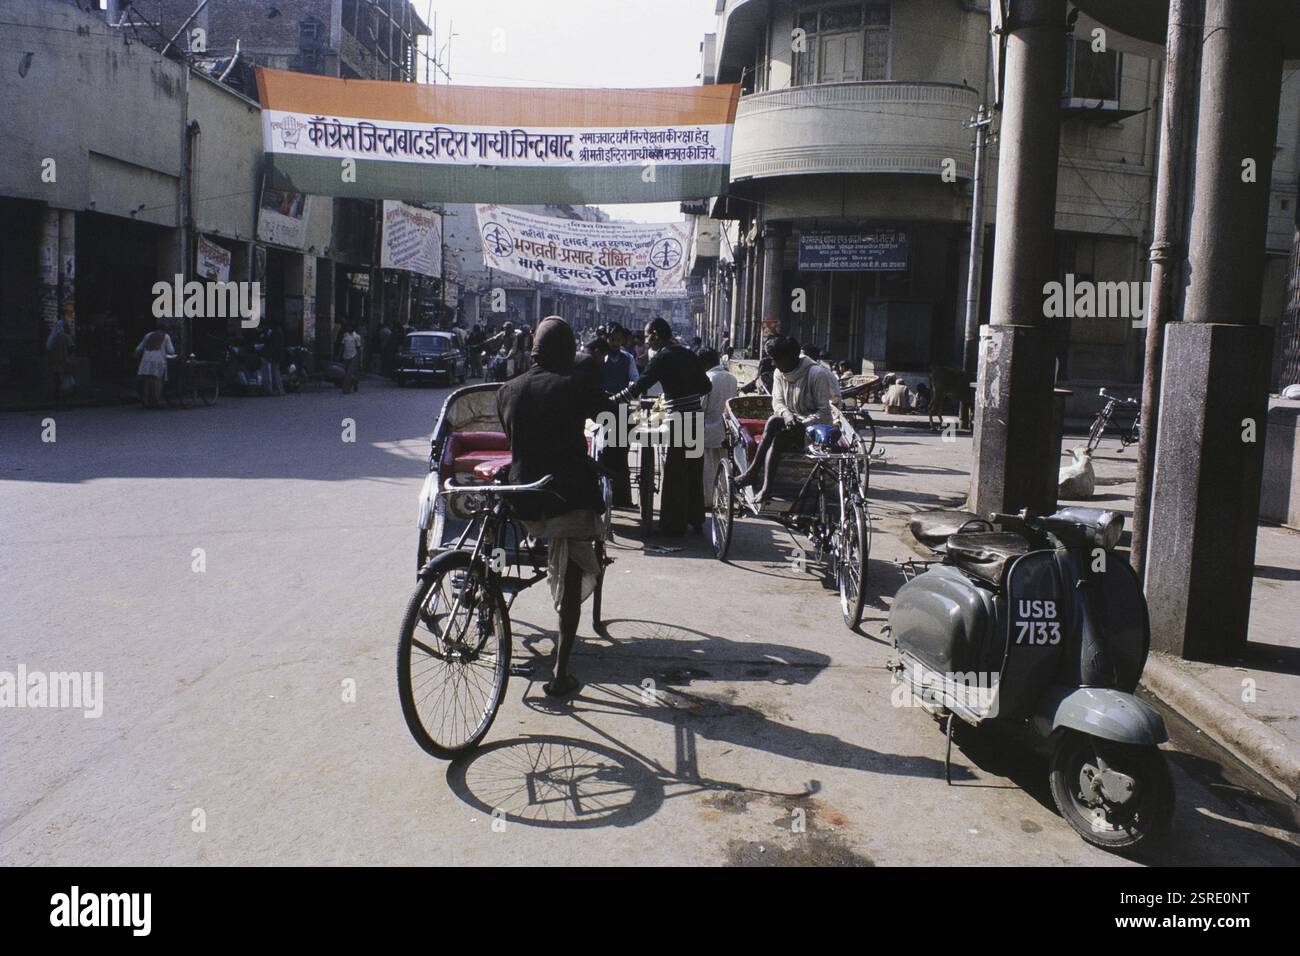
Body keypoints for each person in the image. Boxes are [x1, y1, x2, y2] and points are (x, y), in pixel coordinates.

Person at [497, 317, 615, 697]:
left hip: (522, 499)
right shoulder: (576, 384)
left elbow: (514, 439)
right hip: (566, 499)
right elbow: (608, 418)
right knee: (573, 575)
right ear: (566, 351)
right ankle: (560, 673)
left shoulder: (508, 389)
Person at [614, 317, 712, 536]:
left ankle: (673, 526)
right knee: (693, 470)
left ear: (656, 335)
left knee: (675, 471)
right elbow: (706, 386)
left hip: (678, 418)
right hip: (695, 416)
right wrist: (686, 392)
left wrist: (611, 401)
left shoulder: (662, 358)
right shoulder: (687, 353)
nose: (646, 341)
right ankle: (695, 519)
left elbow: (638, 387)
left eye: (648, 336)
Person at [734, 336, 839, 504]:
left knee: (777, 432)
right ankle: (754, 475)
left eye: (776, 360)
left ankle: (760, 482)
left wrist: (802, 423)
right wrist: (787, 415)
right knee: (775, 423)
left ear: (790, 357)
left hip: (815, 429)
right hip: (791, 422)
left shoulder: (816, 374)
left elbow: (824, 412)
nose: (774, 364)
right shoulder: (779, 373)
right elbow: (777, 401)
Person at [699, 348, 738, 508]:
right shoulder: (732, 378)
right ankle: (722, 498)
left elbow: (701, 406)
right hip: (724, 429)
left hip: (706, 429)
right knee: (721, 465)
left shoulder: (707, 378)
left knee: (707, 468)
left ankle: (708, 500)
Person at [135, 326, 177, 408]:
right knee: (157, 382)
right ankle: (155, 402)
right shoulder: (166, 336)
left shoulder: (148, 335)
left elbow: (139, 348)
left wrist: (136, 354)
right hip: (159, 361)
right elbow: (171, 351)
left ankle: (146, 401)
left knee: (147, 381)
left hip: (146, 361)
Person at [46, 318, 74, 403]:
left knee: (57, 382)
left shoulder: (52, 338)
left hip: (55, 363)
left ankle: (56, 399)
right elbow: (71, 348)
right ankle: (64, 400)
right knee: (65, 382)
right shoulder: (66, 337)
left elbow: (48, 349)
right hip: (65, 362)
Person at [339, 324, 363, 394]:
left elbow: (358, 348)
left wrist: (359, 358)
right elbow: (342, 346)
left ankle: (346, 389)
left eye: (349, 327)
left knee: (349, 374)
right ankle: (355, 382)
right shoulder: (345, 335)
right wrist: (339, 355)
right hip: (346, 356)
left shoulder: (357, 337)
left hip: (354, 356)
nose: (347, 328)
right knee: (346, 373)